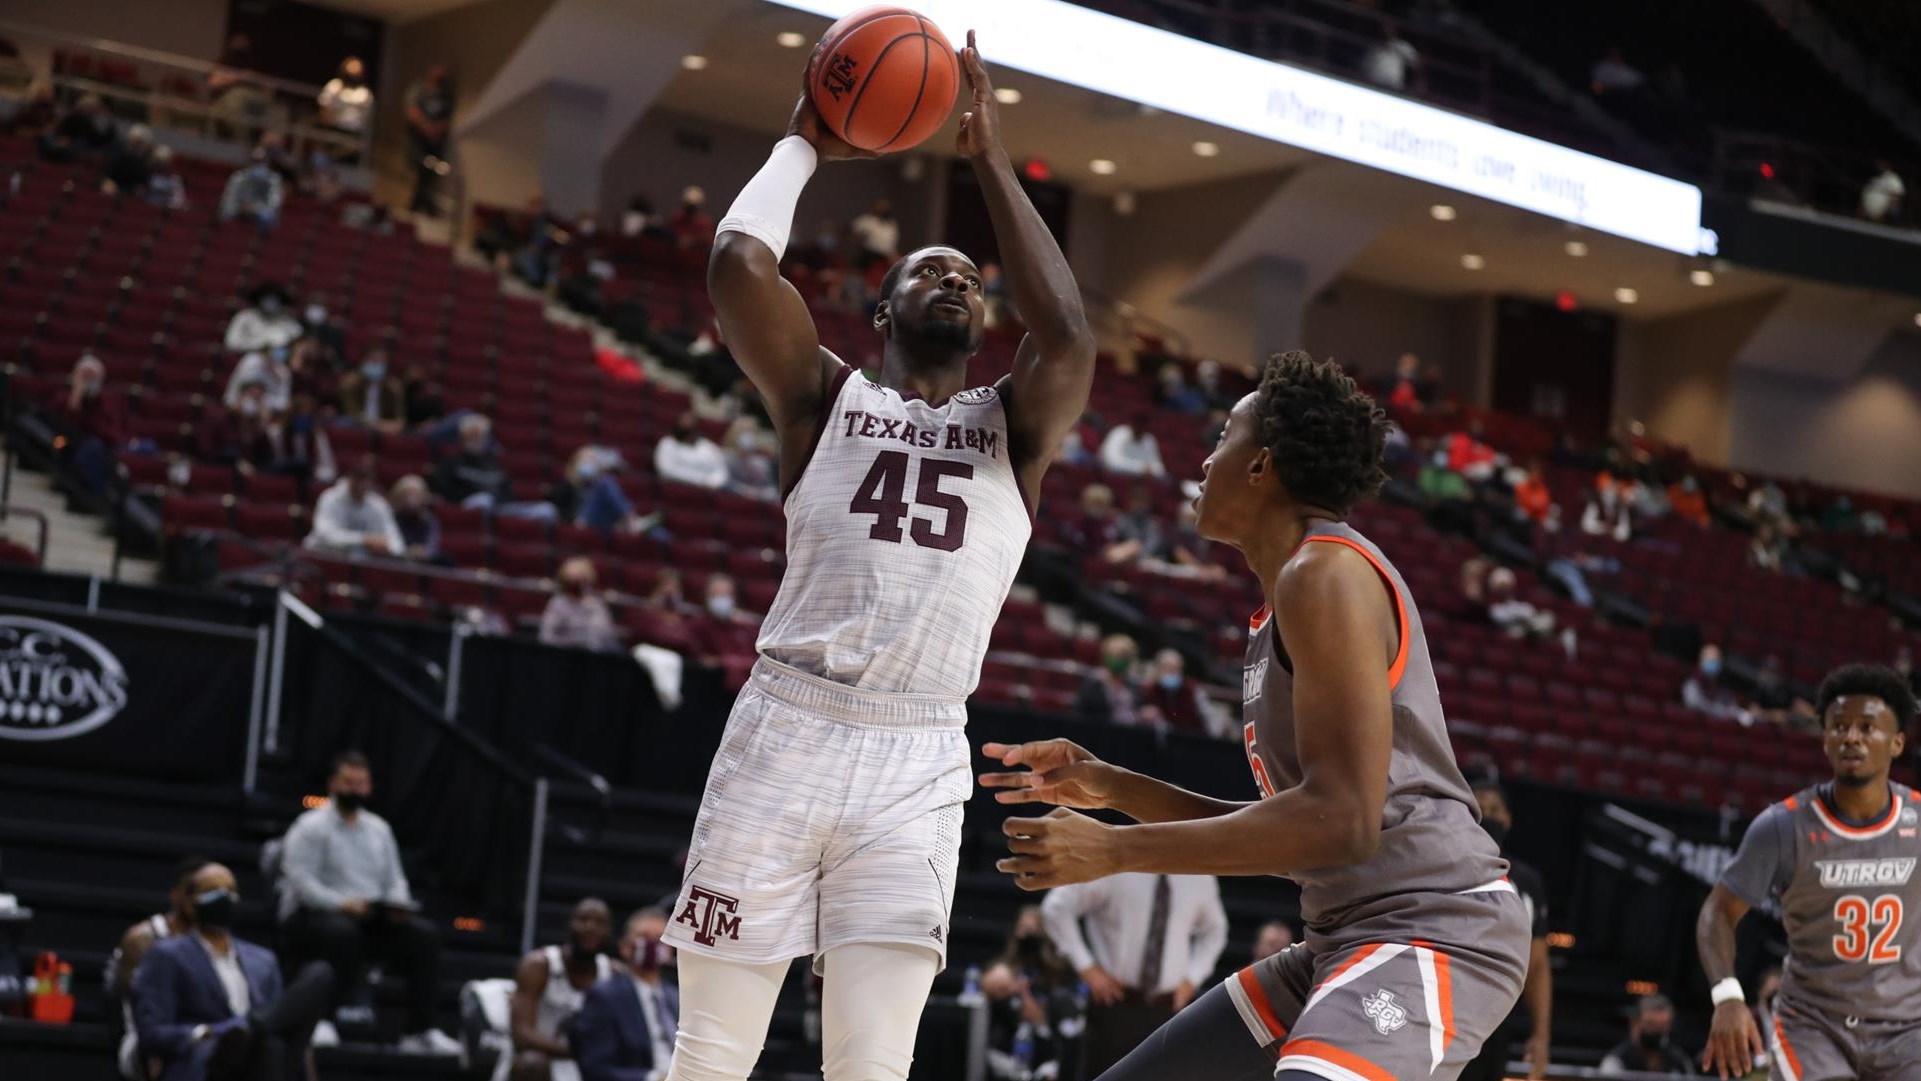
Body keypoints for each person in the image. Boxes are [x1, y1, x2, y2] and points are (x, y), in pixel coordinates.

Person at [662, 33, 1094, 1081]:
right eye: (927, 270)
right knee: (711, 1058)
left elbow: (1070, 333)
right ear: (881, 308)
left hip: (916, 755)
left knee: (873, 1067)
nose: (955, 277)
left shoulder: (1014, 429)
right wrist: (807, 140)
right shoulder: (823, 398)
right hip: (787, 726)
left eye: (969, 278)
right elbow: (736, 265)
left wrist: (988, 158)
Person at [979, 352, 1530, 1081]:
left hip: (1432, 932)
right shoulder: (1289, 593)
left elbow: (1343, 822)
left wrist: (1115, 852)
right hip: (1341, 936)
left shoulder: (1324, 574)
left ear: (1261, 465)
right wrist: (1115, 789)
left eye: (1221, 440)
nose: (1205, 460)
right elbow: (1304, 834)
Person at [1698, 664, 1921, 1081]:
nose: (1851, 736)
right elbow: (1717, 913)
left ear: (1896, 743)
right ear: (1825, 739)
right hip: (1814, 1027)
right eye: (1839, 726)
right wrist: (1727, 996)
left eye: (1867, 727)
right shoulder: (1782, 826)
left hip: (1909, 1030)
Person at [279, 751, 462, 1056]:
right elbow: (301, 881)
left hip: (371, 915)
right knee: (342, 933)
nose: (355, 790)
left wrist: (398, 904)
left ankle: (420, 1030)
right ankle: (321, 1020)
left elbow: (395, 879)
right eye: (348, 782)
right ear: (333, 784)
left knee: (424, 936)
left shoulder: (379, 829)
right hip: (313, 914)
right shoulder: (310, 826)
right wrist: (342, 904)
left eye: (361, 783)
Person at [132, 861, 335, 1081]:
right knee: (267, 1045)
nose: (223, 896)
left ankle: (250, 1027)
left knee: (320, 974)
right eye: (213, 891)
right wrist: (204, 1032)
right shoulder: (167, 954)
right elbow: (152, 1033)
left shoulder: (263, 960)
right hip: (210, 1061)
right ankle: (246, 1030)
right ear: (190, 904)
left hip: (266, 1057)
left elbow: (282, 1018)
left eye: (230, 890)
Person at [1041, 873, 1228, 1076]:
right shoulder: (1115, 862)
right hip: (1115, 1004)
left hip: (1168, 1008)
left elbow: (1216, 930)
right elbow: (1056, 907)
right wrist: (1086, 967)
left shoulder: (1197, 873)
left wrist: (1193, 978)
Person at [1459, 780, 1552, 1081]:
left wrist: (1541, 1034)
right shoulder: (1441, 865)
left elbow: (1537, 965)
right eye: (1480, 809)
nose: (1487, 815)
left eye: (1495, 810)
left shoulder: (1527, 882)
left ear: (1508, 819)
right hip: (1443, 1006)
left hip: (1494, 1023)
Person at [108, 856, 205, 1081]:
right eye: (192, 890)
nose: (199, 898)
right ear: (176, 893)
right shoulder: (143, 938)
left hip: (203, 1033)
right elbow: (146, 1008)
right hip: (147, 1039)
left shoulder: (216, 941)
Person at [501, 898, 615, 1081]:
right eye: (583, 919)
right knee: (531, 1063)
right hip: (543, 1058)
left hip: (587, 1063)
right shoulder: (538, 965)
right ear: (570, 924)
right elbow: (521, 1035)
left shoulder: (613, 972)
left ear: (609, 931)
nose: (590, 927)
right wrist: (582, 1051)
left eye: (599, 923)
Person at [979, 905, 1083, 1081]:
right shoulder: (1004, 969)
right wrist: (1005, 988)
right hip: (1006, 1050)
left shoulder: (1059, 973)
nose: (1028, 937)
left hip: (1048, 1051)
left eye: (1035, 930)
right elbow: (985, 988)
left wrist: (1040, 1020)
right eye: (1024, 929)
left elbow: (1069, 1027)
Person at [573, 908, 679, 1081]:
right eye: (644, 937)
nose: (653, 944)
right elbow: (595, 1069)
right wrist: (653, 1078)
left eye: (660, 938)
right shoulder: (604, 996)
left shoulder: (677, 996)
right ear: (625, 946)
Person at [305, 458, 404, 556]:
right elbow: (324, 535)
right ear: (349, 477)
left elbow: (396, 542)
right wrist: (364, 539)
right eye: (358, 478)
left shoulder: (379, 505)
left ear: (372, 480)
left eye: (365, 478)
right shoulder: (330, 498)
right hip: (324, 555)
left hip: (362, 562)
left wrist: (388, 548)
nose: (361, 484)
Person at [1137, 649, 1227, 737]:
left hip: (1190, 740)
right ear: (1157, 669)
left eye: (1175, 669)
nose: (1171, 673)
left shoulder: (1193, 690)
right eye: (1167, 668)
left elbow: (1209, 718)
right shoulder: (1149, 690)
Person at [1597, 995, 1693, 1075]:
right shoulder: (1616, 1062)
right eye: (1650, 1024)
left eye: (1663, 1026)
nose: (1656, 1032)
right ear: (1635, 1023)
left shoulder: (1679, 1062)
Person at [540, 558, 620, 652]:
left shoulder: (595, 605)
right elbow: (546, 635)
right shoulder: (557, 603)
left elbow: (601, 639)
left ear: (587, 580)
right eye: (571, 579)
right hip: (560, 654)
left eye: (579, 578)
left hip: (589, 656)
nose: (575, 583)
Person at [405, 64, 454, 215]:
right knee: (421, 169)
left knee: (431, 172)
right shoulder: (418, 91)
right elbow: (412, 112)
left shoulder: (445, 95)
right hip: (418, 140)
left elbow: (446, 118)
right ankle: (418, 204)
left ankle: (419, 204)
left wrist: (435, 131)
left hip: (435, 142)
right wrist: (426, 128)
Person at [1076, 634, 1142, 726]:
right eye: (1113, 654)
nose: (1117, 658)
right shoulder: (1093, 681)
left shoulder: (1134, 684)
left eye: (1122, 655)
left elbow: (1139, 710)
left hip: (1129, 734)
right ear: (1105, 656)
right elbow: (1080, 713)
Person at [337, 348, 407, 433]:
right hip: (359, 423)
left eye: (381, 362)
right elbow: (352, 413)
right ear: (364, 362)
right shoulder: (351, 383)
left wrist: (395, 424)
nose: (377, 364)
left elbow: (400, 418)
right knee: (343, 423)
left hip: (384, 426)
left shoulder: (392, 386)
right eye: (374, 360)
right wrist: (377, 425)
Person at [654, 414, 729, 490]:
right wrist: (701, 481)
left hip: (707, 492)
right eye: (684, 423)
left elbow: (721, 472)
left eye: (691, 424)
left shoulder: (708, 447)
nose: (687, 425)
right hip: (675, 490)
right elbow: (667, 470)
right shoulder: (667, 443)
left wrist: (712, 483)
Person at [1683, 645, 1754, 726]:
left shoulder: (1722, 686)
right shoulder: (1691, 684)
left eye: (1717, 659)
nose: (1714, 662)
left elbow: (1731, 707)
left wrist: (1740, 714)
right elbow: (1695, 706)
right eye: (1711, 659)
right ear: (1701, 661)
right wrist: (1720, 712)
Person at [37, 92, 117, 163]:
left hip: (75, 145)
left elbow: (95, 138)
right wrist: (62, 138)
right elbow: (62, 128)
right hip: (68, 143)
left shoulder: (90, 120)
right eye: (90, 107)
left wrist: (109, 129)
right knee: (46, 137)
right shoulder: (77, 117)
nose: (93, 110)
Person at [226, 284, 302, 355]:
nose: (271, 302)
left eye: (275, 299)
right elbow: (232, 343)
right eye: (267, 298)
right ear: (259, 300)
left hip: (281, 361)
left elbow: (299, 336)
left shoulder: (285, 318)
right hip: (251, 357)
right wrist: (261, 346)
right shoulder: (244, 317)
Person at [220, 149, 285, 231]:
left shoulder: (273, 179)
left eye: (261, 161)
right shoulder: (238, 177)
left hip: (260, 214)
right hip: (238, 212)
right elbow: (228, 199)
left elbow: (275, 202)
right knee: (226, 214)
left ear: (267, 162)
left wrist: (255, 209)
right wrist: (240, 207)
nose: (259, 165)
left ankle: (260, 239)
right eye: (256, 161)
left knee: (269, 217)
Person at [316, 57, 374, 150]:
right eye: (351, 68)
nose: (354, 73)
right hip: (333, 129)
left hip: (353, 134)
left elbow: (368, 117)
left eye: (357, 70)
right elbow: (324, 105)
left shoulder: (364, 93)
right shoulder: (334, 86)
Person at [390, 476, 441, 562]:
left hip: (423, 561)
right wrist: (407, 551)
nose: (411, 500)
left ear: (423, 497)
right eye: (407, 495)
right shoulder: (392, 517)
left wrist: (423, 552)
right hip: (399, 558)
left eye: (415, 495)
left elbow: (431, 546)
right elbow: (390, 542)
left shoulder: (429, 520)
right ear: (399, 497)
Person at [1362, 19, 1421, 92]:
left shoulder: (1402, 46)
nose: (1385, 31)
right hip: (1373, 85)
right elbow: (1365, 65)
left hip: (1393, 87)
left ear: (1393, 31)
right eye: (1383, 29)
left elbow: (1417, 65)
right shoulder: (1373, 46)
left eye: (1388, 29)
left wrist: (1418, 84)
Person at [1099, 416, 1166, 478]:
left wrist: (1145, 470)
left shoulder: (1149, 440)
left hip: (1138, 479)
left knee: (1166, 480)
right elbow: (1111, 462)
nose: (1140, 428)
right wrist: (1141, 469)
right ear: (1131, 424)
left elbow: (1159, 469)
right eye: (1138, 425)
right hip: (1113, 475)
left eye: (1143, 426)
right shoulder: (1119, 433)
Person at [101, 124, 156, 197]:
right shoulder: (119, 156)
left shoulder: (146, 164)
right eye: (135, 142)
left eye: (140, 143)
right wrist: (109, 183)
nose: (136, 146)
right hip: (113, 189)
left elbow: (143, 184)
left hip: (131, 195)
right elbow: (108, 174)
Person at [849, 198, 901, 266]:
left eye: (885, 207)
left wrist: (894, 256)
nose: (883, 209)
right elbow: (852, 234)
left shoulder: (891, 224)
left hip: (887, 257)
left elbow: (892, 243)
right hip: (870, 256)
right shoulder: (865, 220)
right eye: (881, 206)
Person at [1860, 160, 1905, 225]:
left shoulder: (1892, 178)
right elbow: (1865, 194)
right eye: (1878, 164)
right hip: (1866, 212)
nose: (1879, 166)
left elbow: (1897, 195)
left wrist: (1887, 210)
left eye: (1882, 164)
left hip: (1882, 213)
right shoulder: (1872, 178)